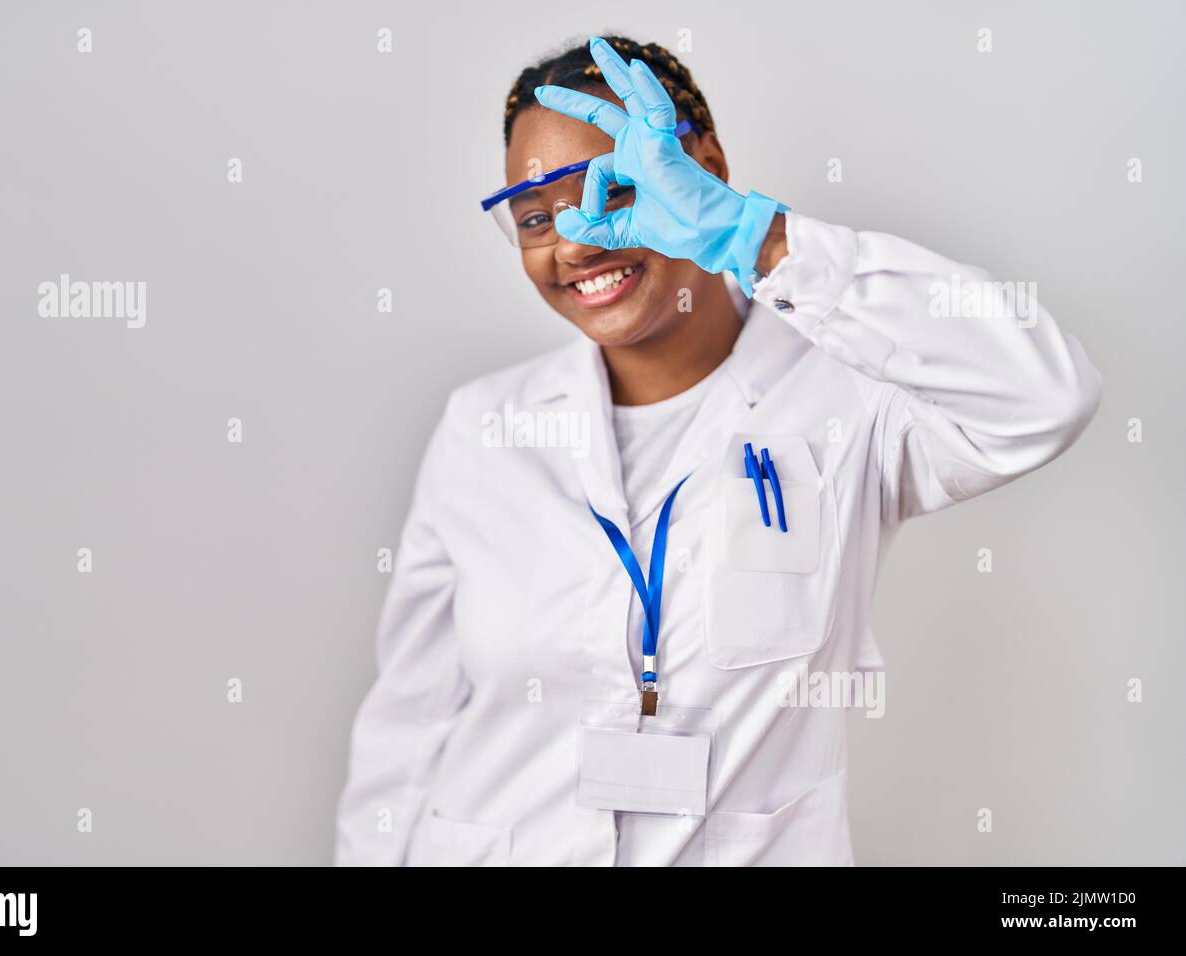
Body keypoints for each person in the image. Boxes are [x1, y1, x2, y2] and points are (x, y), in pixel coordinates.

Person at [335, 35, 1101, 866]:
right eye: (533, 218)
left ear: (704, 164)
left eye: (616, 189)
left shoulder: (848, 397)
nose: (577, 241)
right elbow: (409, 726)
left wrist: (755, 236)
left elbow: (1045, 398)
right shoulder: (483, 427)